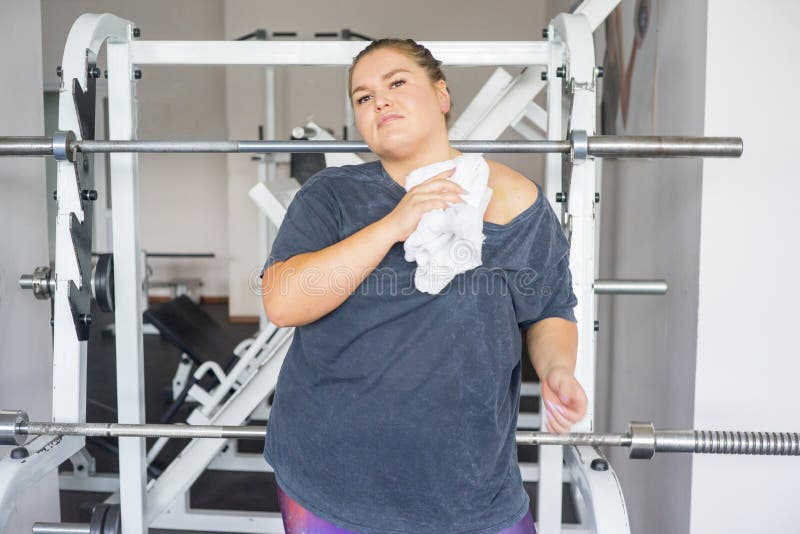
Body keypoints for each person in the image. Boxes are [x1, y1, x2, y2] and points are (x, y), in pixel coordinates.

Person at [260, 38, 588, 534]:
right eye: (364, 97)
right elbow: (282, 302)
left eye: (396, 83)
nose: (380, 101)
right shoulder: (331, 196)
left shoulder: (516, 200)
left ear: (441, 95)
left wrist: (557, 369)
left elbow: (549, 309)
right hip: (330, 481)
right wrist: (395, 223)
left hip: (470, 488)